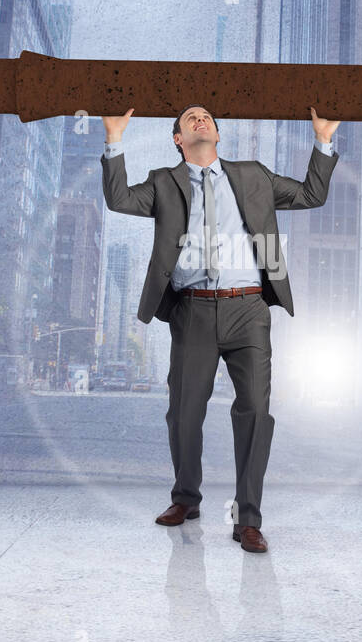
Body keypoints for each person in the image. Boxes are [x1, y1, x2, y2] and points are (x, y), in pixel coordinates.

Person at [100, 103, 339, 552]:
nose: (200, 118)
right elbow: (119, 200)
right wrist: (114, 138)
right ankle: (186, 498)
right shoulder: (163, 183)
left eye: (207, 115)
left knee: (254, 411)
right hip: (192, 310)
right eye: (190, 117)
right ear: (178, 139)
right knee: (184, 411)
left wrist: (323, 140)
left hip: (248, 309)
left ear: (217, 133)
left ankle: (248, 518)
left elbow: (311, 195)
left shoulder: (253, 176)